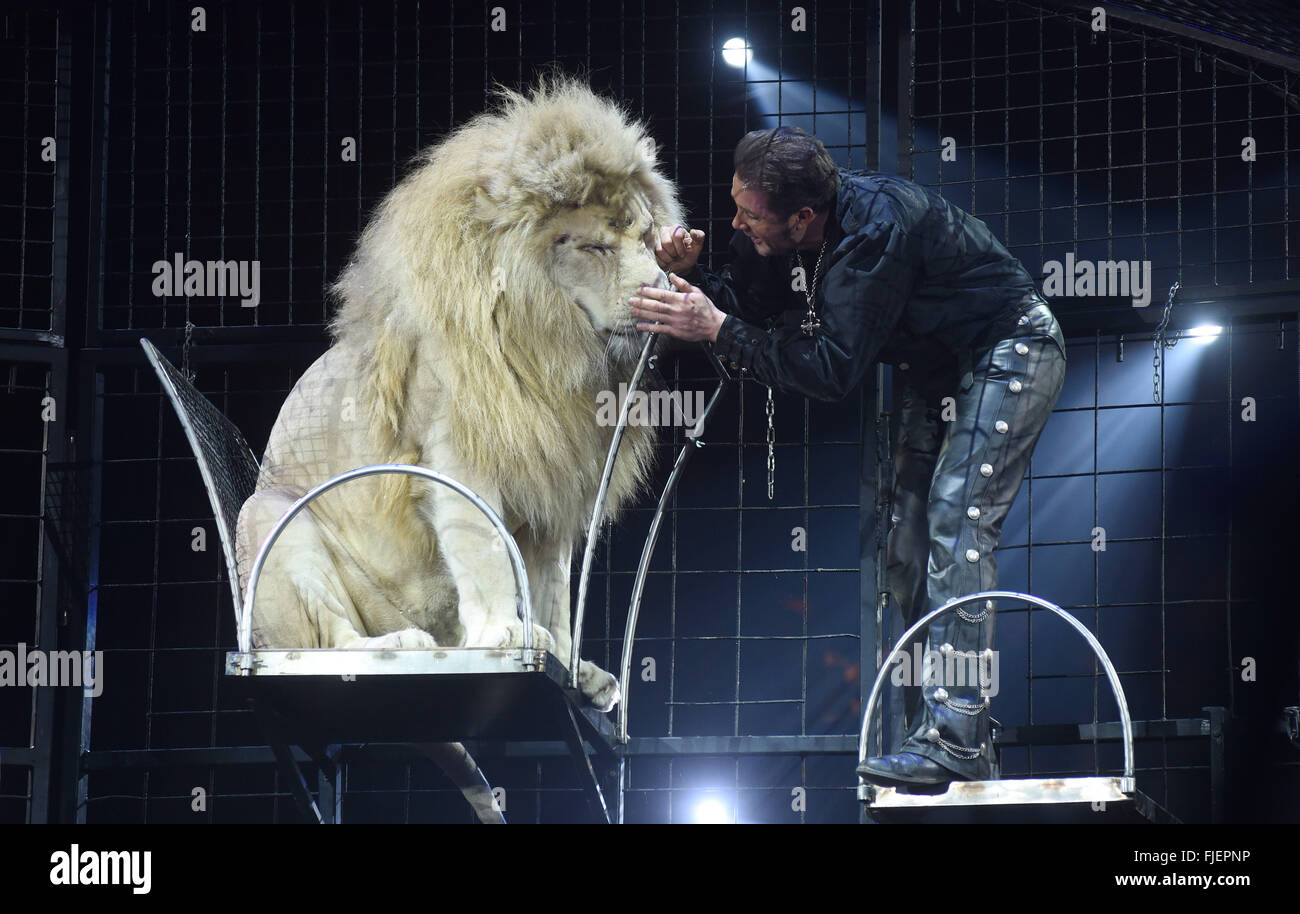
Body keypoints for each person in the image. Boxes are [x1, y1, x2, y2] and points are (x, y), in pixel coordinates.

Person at [629, 126, 1066, 786]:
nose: (735, 222)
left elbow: (830, 370)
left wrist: (713, 327)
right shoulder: (793, 235)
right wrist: (695, 279)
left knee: (957, 521)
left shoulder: (875, 234)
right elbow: (755, 312)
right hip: (938, 369)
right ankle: (937, 740)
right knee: (910, 544)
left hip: (1012, 350)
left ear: (801, 216)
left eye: (749, 215)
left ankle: (958, 735)